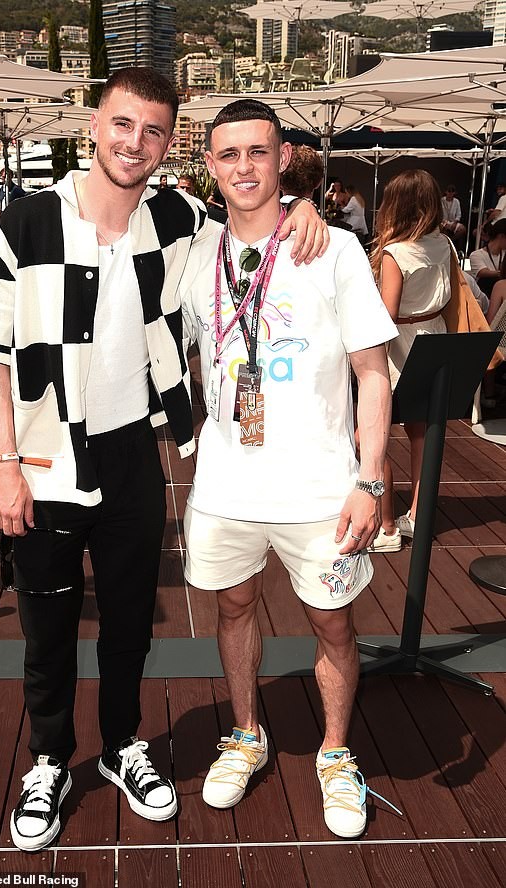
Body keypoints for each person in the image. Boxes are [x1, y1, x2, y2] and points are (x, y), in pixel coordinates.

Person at [0, 68, 327, 854]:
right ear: (96, 125)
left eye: (154, 131)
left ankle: (123, 745)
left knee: (128, 620)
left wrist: (303, 206)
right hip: (45, 452)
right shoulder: (26, 222)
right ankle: (50, 760)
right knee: (47, 623)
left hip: (132, 450)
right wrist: (4, 465)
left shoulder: (178, 217)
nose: (136, 143)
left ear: (168, 143)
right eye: (124, 125)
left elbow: (249, 214)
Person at [179, 99, 399, 839]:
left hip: (318, 487)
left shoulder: (333, 249)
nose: (244, 167)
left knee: (332, 621)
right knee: (232, 609)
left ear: (284, 160)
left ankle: (335, 751)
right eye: (228, 154)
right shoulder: (192, 252)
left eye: (258, 153)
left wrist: (372, 478)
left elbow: (373, 372)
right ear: (209, 166)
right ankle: (246, 731)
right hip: (224, 484)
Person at [368, 170, 451, 553]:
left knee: (375, 437)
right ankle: (418, 514)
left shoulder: (395, 253)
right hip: (434, 341)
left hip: (398, 349)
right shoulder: (444, 245)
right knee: (423, 436)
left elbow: (386, 315)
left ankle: (386, 526)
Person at [469, 219, 506, 297]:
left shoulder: (504, 253)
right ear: (501, 236)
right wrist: (502, 273)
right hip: (483, 295)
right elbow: (482, 272)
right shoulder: (476, 255)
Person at [440, 184, 466, 250]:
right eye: (449, 191)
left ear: (454, 193)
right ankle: (446, 246)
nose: (450, 193)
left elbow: (458, 214)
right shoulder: (441, 201)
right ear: (446, 192)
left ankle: (451, 241)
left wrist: (454, 223)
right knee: (443, 230)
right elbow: (439, 214)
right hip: (443, 222)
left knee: (463, 229)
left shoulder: (456, 201)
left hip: (453, 222)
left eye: (452, 192)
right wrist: (445, 223)